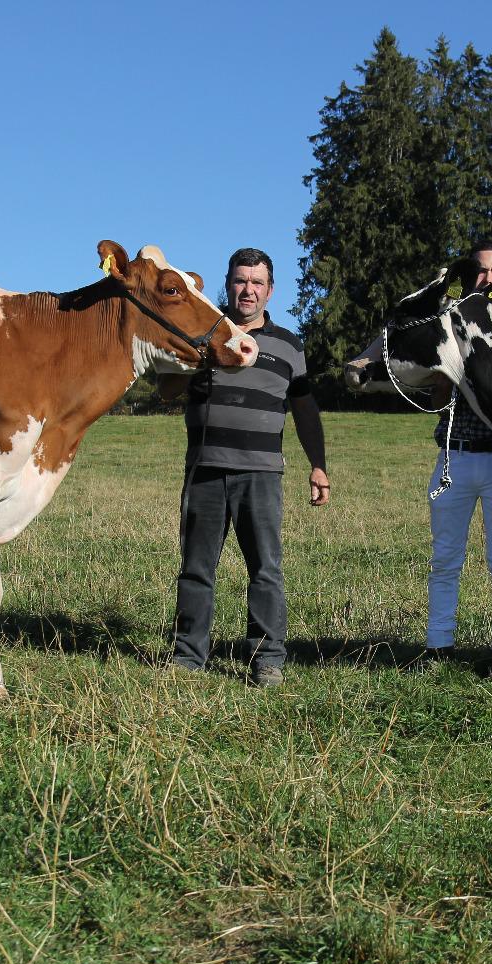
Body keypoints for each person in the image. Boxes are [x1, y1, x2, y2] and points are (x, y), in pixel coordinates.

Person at [157, 247, 330, 687]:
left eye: (257, 282)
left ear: (270, 291)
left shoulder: (289, 346)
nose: (247, 290)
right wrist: (197, 358)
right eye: (240, 281)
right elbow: (165, 389)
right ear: (228, 284)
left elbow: (305, 411)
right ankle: (188, 655)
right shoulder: (202, 334)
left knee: (265, 569)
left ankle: (267, 657)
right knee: (196, 567)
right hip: (206, 469)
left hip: (261, 473)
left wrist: (318, 465)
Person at [419, 241, 492, 680]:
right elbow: (434, 396)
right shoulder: (448, 321)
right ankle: (438, 645)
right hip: (453, 459)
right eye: (482, 271)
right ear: (470, 275)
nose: (489, 280)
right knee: (445, 560)